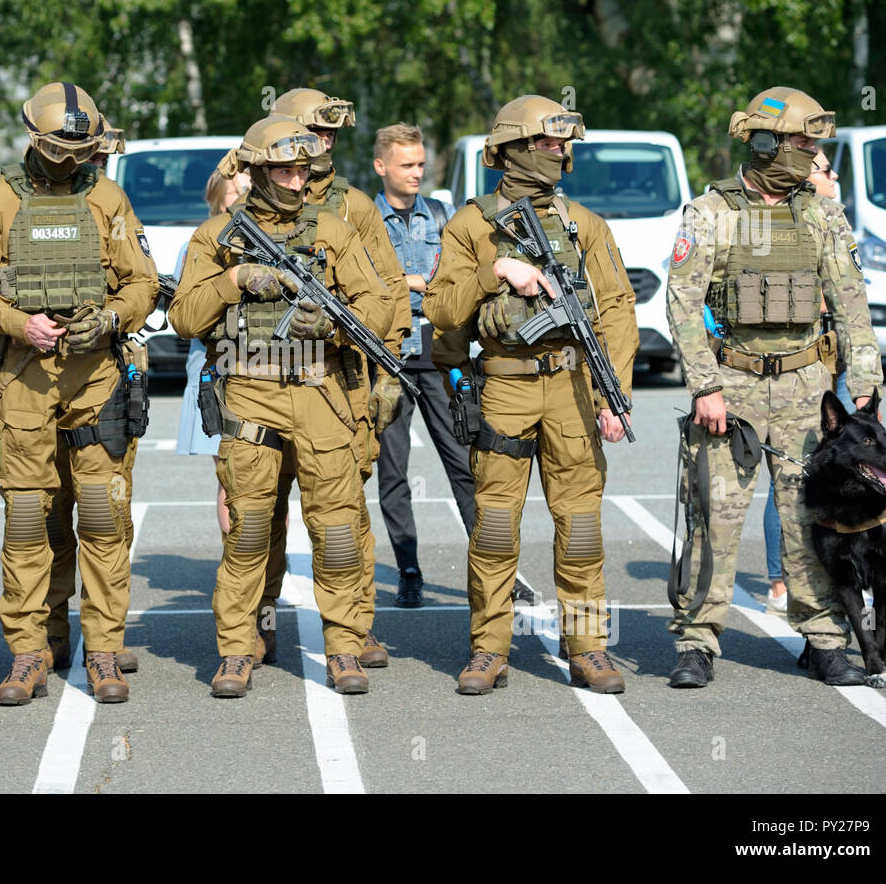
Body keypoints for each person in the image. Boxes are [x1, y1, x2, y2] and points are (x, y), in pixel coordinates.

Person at [665, 86, 882, 687]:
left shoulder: (820, 212)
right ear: (766, 141)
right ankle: (697, 642)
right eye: (803, 143)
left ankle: (823, 638)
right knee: (714, 517)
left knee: (810, 518)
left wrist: (863, 379)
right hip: (730, 389)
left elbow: (851, 299)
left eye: (815, 144)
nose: (811, 154)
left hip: (807, 391)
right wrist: (704, 385)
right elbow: (680, 302)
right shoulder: (711, 212)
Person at [0, 81, 158, 704]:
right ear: (33, 141)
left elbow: (143, 283)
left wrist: (113, 318)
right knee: (27, 520)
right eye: (59, 150)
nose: (71, 163)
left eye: (82, 151)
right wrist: (19, 323)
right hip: (24, 380)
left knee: (99, 516)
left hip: (97, 379)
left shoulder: (109, 198)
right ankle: (31, 652)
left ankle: (103, 651)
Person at [170, 114, 392, 697]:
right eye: (287, 171)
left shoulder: (332, 233)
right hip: (249, 394)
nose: (299, 181)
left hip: (322, 394)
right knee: (248, 532)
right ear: (257, 172)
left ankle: (344, 648)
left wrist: (337, 327)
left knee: (337, 528)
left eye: (305, 170)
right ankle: (239, 649)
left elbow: (378, 308)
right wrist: (236, 279)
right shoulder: (216, 236)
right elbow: (184, 319)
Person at [423, 95, 637, 696]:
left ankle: (588, 646)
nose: (560, 152)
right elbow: (439, 310)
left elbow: (618, 311)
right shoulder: (471, 226)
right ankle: (489, 648)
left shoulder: (585, 224)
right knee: (494, 527)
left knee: (582, 527)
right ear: (513, 148)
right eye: (547, 142)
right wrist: (496, 273)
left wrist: (612, 394)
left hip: (572, 387)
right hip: (505, 390)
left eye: (562, 143)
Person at [270, 87, 410, 668]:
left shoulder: (355, 204)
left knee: (345, 513)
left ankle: (355, 626)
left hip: (340, 380)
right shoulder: (252, 188)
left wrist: (388, 372)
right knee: (258, 512)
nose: (324, 144)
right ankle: (256, 621)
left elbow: (391, 293)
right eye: (315, 133)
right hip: (261, 380)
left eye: (330, 136)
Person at [371, 123, 476, 608]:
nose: (416, 173)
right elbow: (366, 286)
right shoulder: (363, 221)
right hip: (388, 353)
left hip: (438, 350)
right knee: (394, 471)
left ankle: (494, 567)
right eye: (407, 165)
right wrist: (415, 282)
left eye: (420, 164)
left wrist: (410, 282)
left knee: (465, 463)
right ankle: (409, 571)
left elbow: (458, 274)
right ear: (382, 166)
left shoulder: (441, 212)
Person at [760, 146, 852, 611]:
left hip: (833, 359)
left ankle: (829, 574)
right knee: (793, 468)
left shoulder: (831, 219)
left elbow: (851, 295)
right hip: (797, 363)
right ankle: (780, 581)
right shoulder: (780, 220)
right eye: (825, 169)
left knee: (834, 465)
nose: (833, 175)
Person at [176, 168, 252, 538]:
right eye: (233, 193)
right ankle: (236, 556)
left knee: (273, 482)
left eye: (247, 191)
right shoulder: (201, 244)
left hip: (265, 367)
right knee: (231, 476)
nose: (241, 199)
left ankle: (271, 569)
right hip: (216, 367)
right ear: (217, 201)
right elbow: (188, 317)